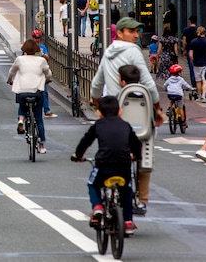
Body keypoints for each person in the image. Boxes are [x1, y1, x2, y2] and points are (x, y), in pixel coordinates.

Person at [90, 17, 164, 214]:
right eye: (131, 31)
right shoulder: (133, 51)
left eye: (137, 32)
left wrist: (95, 99)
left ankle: (109, 191)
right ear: (121, 33)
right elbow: (148, 82)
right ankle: (142, 199)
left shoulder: (108, 52)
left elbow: (97, 81)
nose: (136, 35)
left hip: (114, 114)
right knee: (145, 154)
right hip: (138, 113)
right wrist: (157, 107)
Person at [71, 95, 141, 236]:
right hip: (123, 166)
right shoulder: (126, 125)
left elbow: (86, 141)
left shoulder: (98, 125)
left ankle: (97, 207)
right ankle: (128, 221)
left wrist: (77, 155)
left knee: (93, 184)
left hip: (104, 166)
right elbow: (136, 144)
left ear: (99, 113)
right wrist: (135, 156)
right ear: (120, 111)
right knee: (127, 191)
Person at [7, 39, 52, 154]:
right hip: (37, 92)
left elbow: (12, 72)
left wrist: (10, 80)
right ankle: (41, 145)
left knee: (22, 106)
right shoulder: (41, 61)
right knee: (38, 118)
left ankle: (21, 120)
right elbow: (48, 74)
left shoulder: (20, 59)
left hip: (22, 92)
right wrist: (47, 80)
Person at [31, 30, 57, 118]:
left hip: (41, 72)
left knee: (44, 92)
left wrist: (42, 54)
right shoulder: (29, 46)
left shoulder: (42, 47)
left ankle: (47, 110)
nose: (37, 40)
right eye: (35, 38)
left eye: (38, 38)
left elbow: (47, 57)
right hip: (31, 71)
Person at [187, 26, 206, 101]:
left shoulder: (193, 42)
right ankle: (204, 96)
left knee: (198, 80)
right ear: (205, 32)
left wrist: (193, 60)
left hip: (196, 64)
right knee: (205, 80)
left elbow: (190, 55)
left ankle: (199, 95)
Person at [181, 15, 198, 84]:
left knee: (191, 66)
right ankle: (198, 80)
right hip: (197, 49)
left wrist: (184, 50)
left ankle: (193, 81)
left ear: (190, 21)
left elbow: (184, 41)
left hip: (189, 48)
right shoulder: (198, 29)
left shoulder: (186, 30)